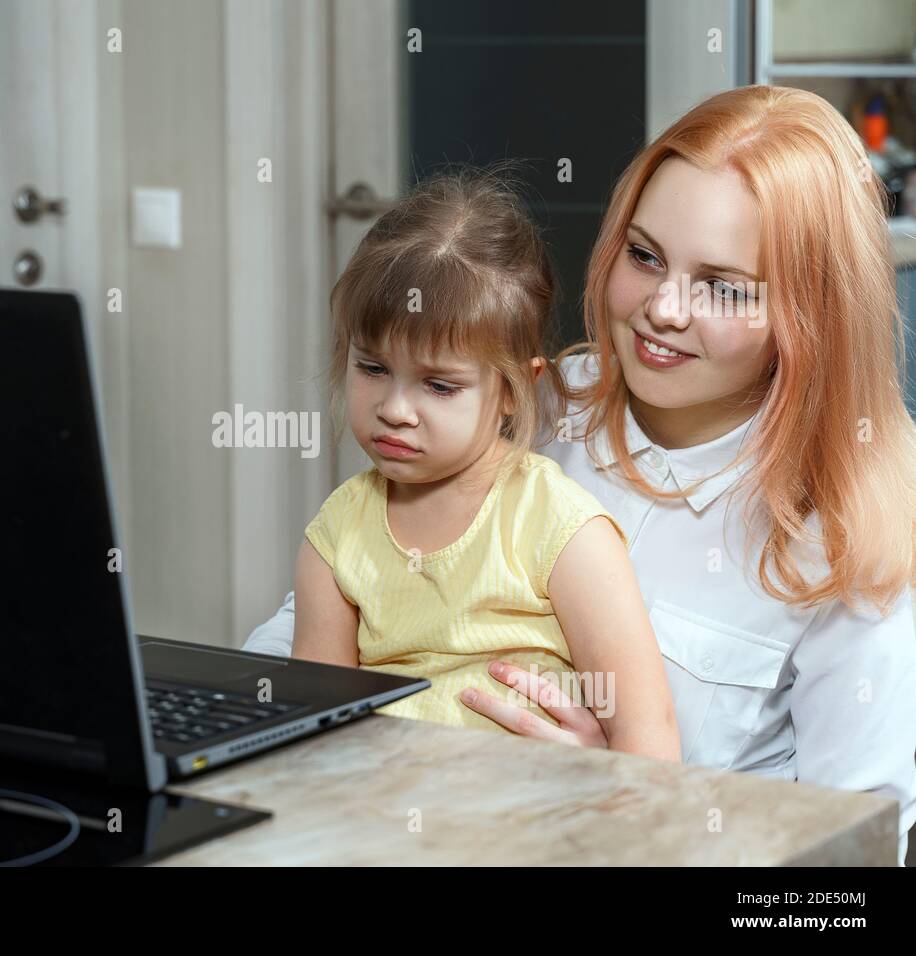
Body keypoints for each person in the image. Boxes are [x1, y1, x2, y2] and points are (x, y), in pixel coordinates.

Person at [246, 86, 916, 864]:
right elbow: (313, 626)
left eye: (723, 286)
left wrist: (624, 795)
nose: (663, 308)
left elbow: (841, 886)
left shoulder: (860, 537)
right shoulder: (526, 409)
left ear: (812, 315)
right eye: (645, 255)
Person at [292, 169, 680, 760]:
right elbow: (311, 734)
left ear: (512, 391)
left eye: (439, 386)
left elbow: (647, 737)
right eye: (372, 369)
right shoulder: (335, 536)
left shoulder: (558, 526)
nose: (396, 410)